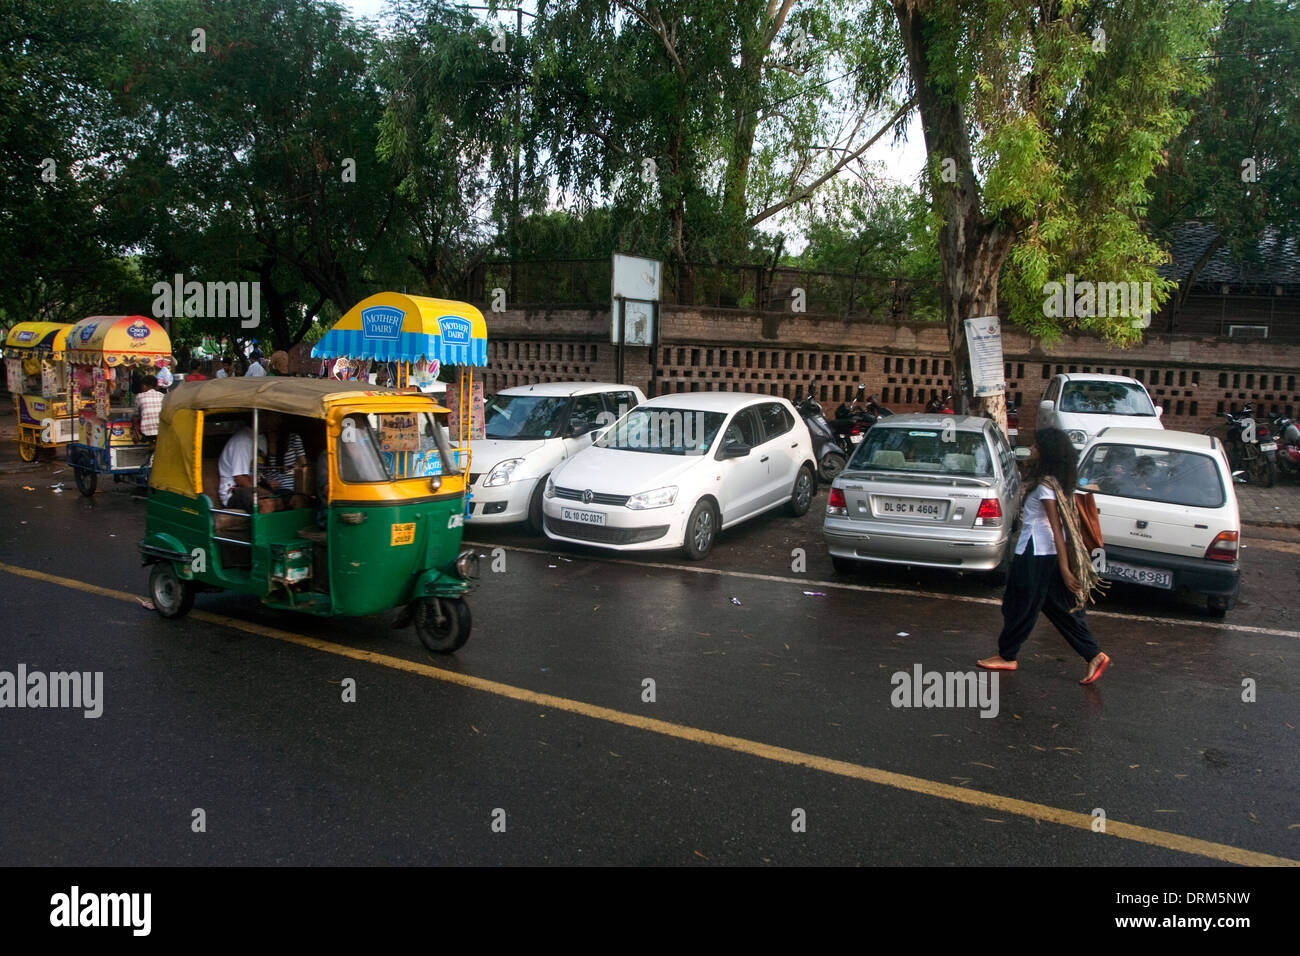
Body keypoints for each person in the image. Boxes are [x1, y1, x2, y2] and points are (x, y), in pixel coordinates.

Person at [978, 428, 1111, 684]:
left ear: (1047, 452)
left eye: (1037, 446)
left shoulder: (1047, 486)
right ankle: (1094, 654)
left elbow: (1057, 529)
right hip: (1039, 552)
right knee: (1056, 608)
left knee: (1019, 605)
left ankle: (1007, 655)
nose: (1032, 448)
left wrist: (1064, 567)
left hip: (1036, 553)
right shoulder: (1053, 481)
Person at [217, 425, 282, 514]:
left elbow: (260, 470)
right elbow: (240, 478)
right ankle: (263, 528)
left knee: (293, 499)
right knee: (267, 503)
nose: (279, 420)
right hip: (234, 491)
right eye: (274, 415)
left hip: (254, 486)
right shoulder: (242, 441)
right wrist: (267, 493)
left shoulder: (262, 438)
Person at [133, 375, 164, 440]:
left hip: (146, 431)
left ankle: (136, 436)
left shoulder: (139, 396)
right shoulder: (162, 395)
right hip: (162, 430)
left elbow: (135, 414)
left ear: (144, 386)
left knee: (134, 418)